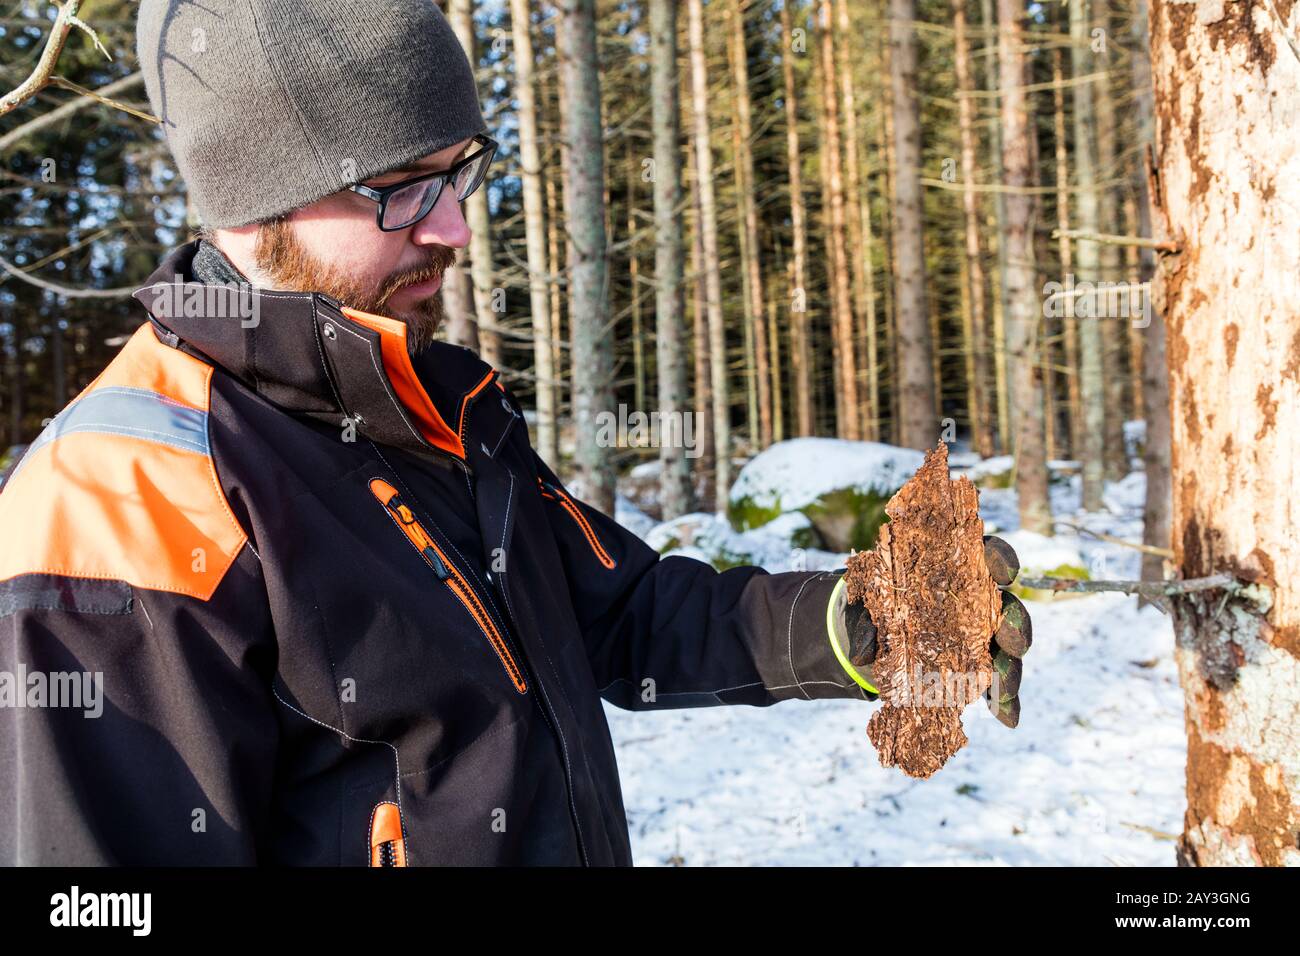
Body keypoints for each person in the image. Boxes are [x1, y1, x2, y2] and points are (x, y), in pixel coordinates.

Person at [0, 0, 1030, 865]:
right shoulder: (116, 499)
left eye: (458, 173)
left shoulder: (435, 410)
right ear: (247, 202)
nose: (450, 225)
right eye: (402, 188)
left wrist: (877, 618)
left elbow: (622, 616)